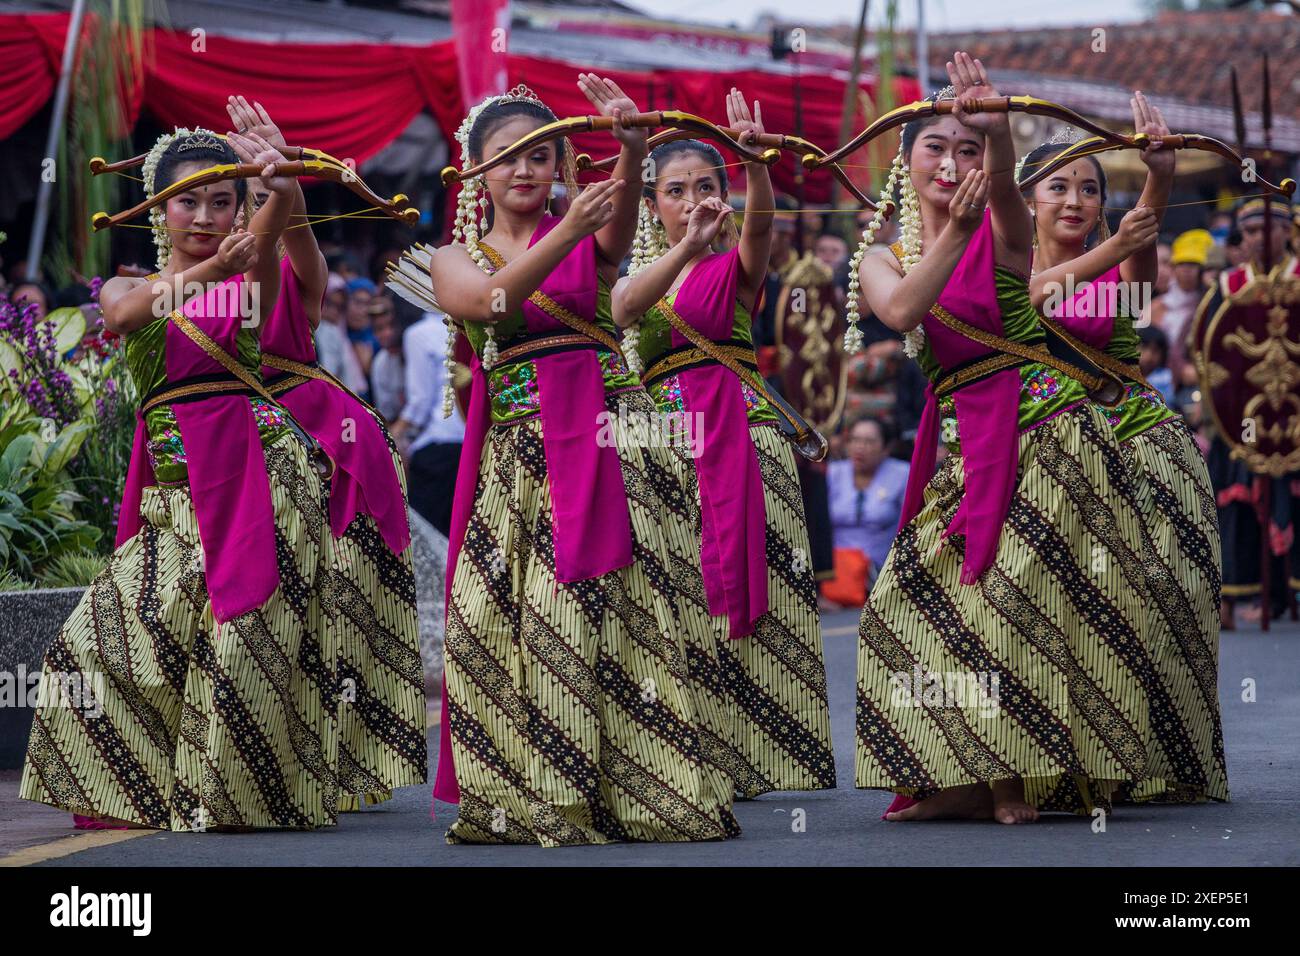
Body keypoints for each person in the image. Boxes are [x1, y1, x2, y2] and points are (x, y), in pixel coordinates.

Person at [847, 54, 1160, 824]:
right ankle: (954, 771)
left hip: (1049, 435)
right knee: (907, 602)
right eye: (936, 148)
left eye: (967, 148)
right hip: (963, 445)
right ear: (905, 160)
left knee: (1013, 603)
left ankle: (1013, 780)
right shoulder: (881, 260)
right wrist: (951, 233)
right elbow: (903, 314)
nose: (952, 162)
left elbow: (1017, 226)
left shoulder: (1005, 227)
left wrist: (1000, 131)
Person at [427, 78, 738, 845]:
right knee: (501, 625)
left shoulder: (595, 232)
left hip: (607, 446)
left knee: (626, 621)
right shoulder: (449, 258)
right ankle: (536, 788)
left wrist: (631, 151)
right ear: (474, 172)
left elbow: (619, 216)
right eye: (504, 157)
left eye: (540, 154)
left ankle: (638, 788)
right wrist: (563, 232)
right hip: (520, 460)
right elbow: (490, 305)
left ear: (564, 163)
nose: (524, 170)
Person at [20, 127, 343, 831]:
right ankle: (143, 787)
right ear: (158, 208)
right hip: (172, 494)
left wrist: (280, 185)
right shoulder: (129, 283)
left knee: (241, 638)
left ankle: (234, 798)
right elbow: (125, 314)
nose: (203, 216)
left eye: (221, 201)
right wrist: (207, 268)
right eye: (185, 201)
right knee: (94, 642)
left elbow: (282, 256)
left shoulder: (250, 282)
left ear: (239, 210)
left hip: (258, 479)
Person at [612, 89, 836, 796]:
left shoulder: (737, 265)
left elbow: (761, 229)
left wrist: (756, 168)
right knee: (679, 594)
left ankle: (766, 756)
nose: (690, 200)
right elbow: (619, 312)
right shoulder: (632, 276)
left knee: (756, 586)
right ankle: (694, 751)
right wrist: (684, 244)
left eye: (705, 187)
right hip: (663, 446)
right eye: (674, 191)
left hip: (744, 439)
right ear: (652, 207)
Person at [1021, 90, 1227, 805]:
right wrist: (1123, 235)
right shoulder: (1001, 275)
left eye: (1089, 188)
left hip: (1143, 449)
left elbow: (1134, 283)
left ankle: (1159, 766)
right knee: (1074, 620)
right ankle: (1074, 764)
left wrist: (1160, 178)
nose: (1075, 200)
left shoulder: (1117, 273)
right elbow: (1037, 299)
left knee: (1169, 607)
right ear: (1027, 203)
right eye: (1059, 187)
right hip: (1052, 465)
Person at [224, 96, 427, 812]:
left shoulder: (281, 277)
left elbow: (292, 243)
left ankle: (334, 765)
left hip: (327, 452)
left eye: (247, 197)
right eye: (223, 197)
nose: (241, 212)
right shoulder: (179, 292)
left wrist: (283, 188)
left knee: (338, 614)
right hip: (237, 455)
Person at [1193, 194, 1297, 628]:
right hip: (1243, 420)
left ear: (1286, 230)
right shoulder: (1227, 287)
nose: (1260, 238)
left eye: (1268, 229)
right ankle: (1233, 598)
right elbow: (1205, 352)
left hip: (1294, 418)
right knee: (1235, 503)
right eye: (1251, 231)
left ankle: (1289, 591)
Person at [391, 308, 465, 536]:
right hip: (472, 444)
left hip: (438, 446)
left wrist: (393, 435)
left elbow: (420, 403)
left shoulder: (418, 333)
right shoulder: (474, 325)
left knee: (426, 536)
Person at [827, 416, 910, 581]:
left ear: (886, 448)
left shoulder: (903, 474)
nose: (860, 447)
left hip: (881, 574)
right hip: (837, 574)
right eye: (854, 440)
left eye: (869, 441)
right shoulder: (832, 473)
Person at [368, 295, 405, 422]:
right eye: (379, 329)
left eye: (391, 326)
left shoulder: (414, 348)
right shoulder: (380, 363)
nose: (387, 333)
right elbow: (386, 413)